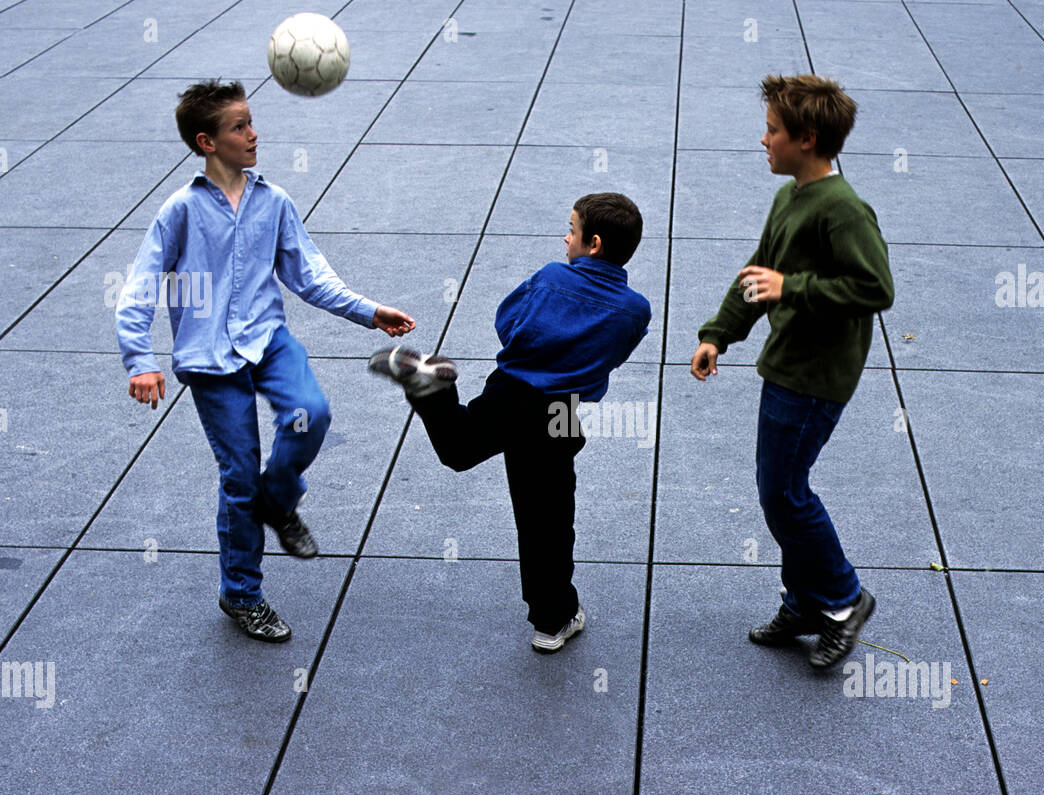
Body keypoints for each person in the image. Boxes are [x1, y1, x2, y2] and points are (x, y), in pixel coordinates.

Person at [116, 80, 415, 642]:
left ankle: (277, 500)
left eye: (252, 122)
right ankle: (242, 593)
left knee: (311, 415)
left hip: (268, 341)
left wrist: (368, 310)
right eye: (239, 127)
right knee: (237, 474)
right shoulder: (179, 211)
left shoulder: (274, 201)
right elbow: (139, 287)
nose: (254, 135)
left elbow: (309, 275)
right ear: (207, 142)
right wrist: (141, 360)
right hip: (210, 358)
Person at [371, 192, 651, 653]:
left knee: (458, 448)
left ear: (593, 243)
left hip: (512, 389)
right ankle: (552, 618)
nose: (566, 237)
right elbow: (615, 354)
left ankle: (434, 389)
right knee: (547, 516)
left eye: (572, 229)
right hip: (562, 413)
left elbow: (507, 321)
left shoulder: (551, 277)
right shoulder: (635, 308)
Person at [690, 74, 894, 669]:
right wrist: (718, 333)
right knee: (778, 491)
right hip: (788, 365)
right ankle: (806, 603)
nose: (763, 140)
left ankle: (842, 598)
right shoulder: (790, 197)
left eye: (773, 131)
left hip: (816, 376)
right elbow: (760, 271)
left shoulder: (844, 210)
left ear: (806, 139)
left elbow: (874, 287)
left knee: (785, 493)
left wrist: (792, 287)